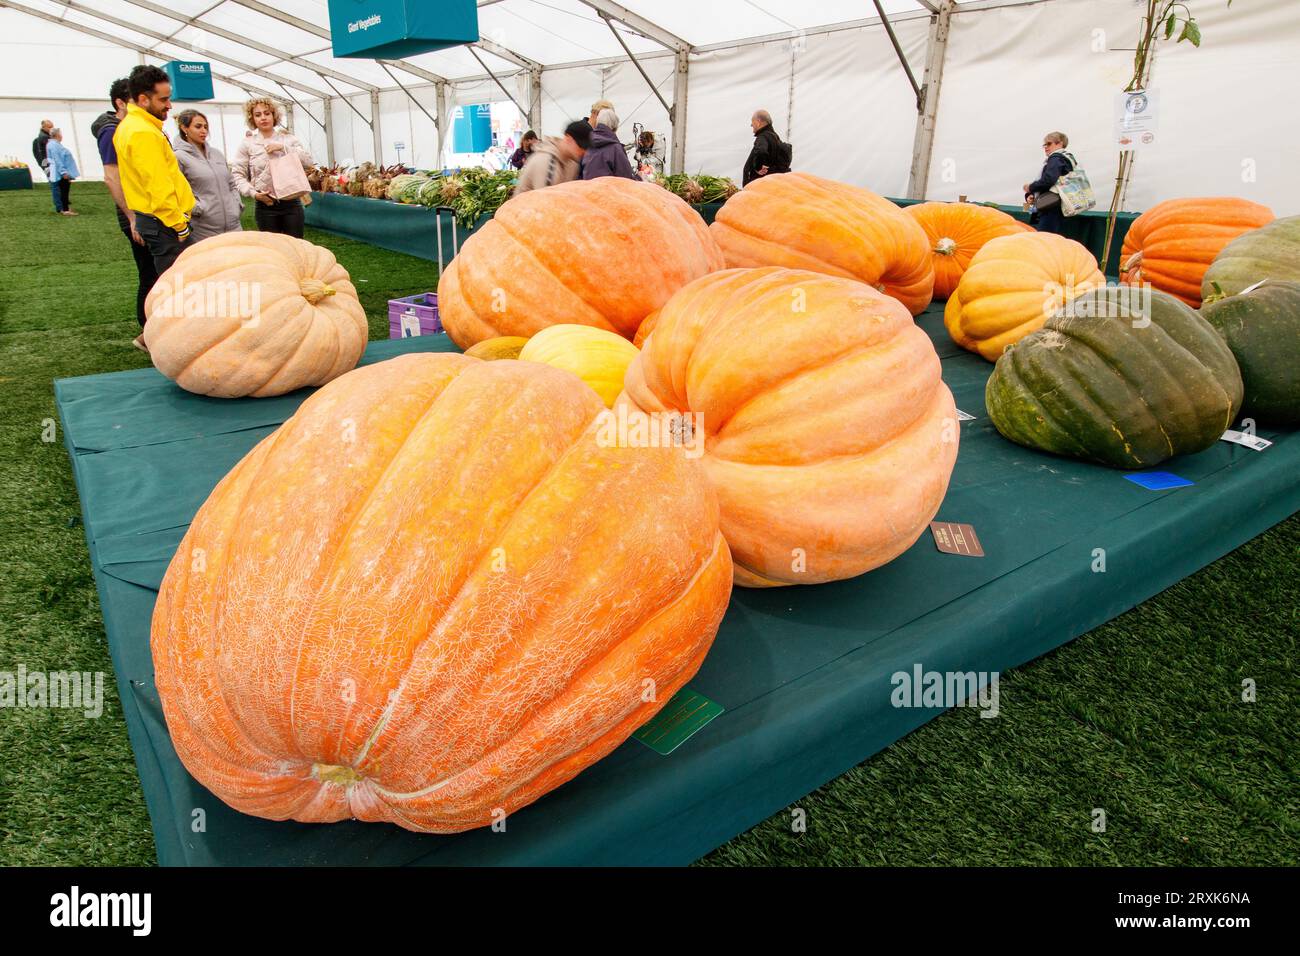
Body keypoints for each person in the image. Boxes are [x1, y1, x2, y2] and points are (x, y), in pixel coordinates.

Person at [113, 64, 196, 291]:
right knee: (181, 290)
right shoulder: (142, 132)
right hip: (165, 223)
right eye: (163, 100)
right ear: (143, 99)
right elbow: (157, 185)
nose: (169, 105)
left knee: (174, 286)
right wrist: (179, 225)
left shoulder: (132, 126)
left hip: (157, 221)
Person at [92, 77, 157, 345]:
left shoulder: (131, 128)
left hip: (147, 211)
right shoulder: (112, 131)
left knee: (156, 272)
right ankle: (148, 331)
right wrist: (132, 218)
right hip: (137, 214)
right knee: (149, 273)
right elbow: (112, 176)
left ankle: (155, 329)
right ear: (121, 103)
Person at [230, 98, 313, 238]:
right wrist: (253, 193)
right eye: (258, 115)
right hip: (265, 206)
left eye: (266, 113)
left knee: (296, 248)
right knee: (273, 251)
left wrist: (283, 147)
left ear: (273, 115)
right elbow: (237, 174)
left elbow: (308, 162)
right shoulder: (247, 144)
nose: (263, 118)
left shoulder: (289, 139)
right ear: (252, 119)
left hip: (292, 203)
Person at [173, 110, 244, 242]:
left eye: (206, 127)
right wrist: (198, 209)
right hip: (203, 229)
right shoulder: (178, 157)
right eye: (198, 126)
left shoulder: (217, 154)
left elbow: (231, 183)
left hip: (234, 226)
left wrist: (236, 205)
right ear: (184, 128)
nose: (204, 131)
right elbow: (177, 191)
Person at [515, 120, 591, 195]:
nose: (584, 151)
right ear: (568, 138)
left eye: (586, 147)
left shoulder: (573, 163)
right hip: (525, 206)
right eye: (581, 146)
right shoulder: (546, 161)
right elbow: (546, 202)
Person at [1023, 131, 1074, 235]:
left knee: (1042, 239)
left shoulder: (1056, 158)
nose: (1046, 147)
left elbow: (1048, 180)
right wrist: (1031, 195)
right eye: (1044, 145)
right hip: (1051, 205)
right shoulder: (1065, 158)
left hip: (1050, 207)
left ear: (1060, 143)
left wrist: (1030, 188)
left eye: (1049, 144)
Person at [581, 108, 637, 182]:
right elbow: (626, 179)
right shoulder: (615, 148)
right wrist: (640, 177)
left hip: (589, 191)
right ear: (615, 127)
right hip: (608, 191)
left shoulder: (588, 145)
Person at [742, 110, 792, 186]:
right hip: (772, 183)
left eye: (752, 122)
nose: (751, 125)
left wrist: (758, 167)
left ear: (758, 122)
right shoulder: (774, 137)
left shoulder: (763, 137)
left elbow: (761, 150)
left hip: (759, 186)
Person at [44, 129, 79, 216]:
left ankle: (64, 208)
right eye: (61, 134)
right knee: (63, 190)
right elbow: (57, 159)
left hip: (58, 171)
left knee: (63, 189)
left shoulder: (53, 144)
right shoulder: (54, 145)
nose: (61, 136)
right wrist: (63, 172)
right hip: (59, 172)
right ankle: (65, 209)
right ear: (57, 135)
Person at [32, 119, 54, 211]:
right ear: (43, 127)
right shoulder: (44, 137)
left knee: (52, 179)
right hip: (46, 161)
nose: (51, 129)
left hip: (45, 161)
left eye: (52, 126)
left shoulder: (44, 136)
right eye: (49, 127)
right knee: (53, 179)